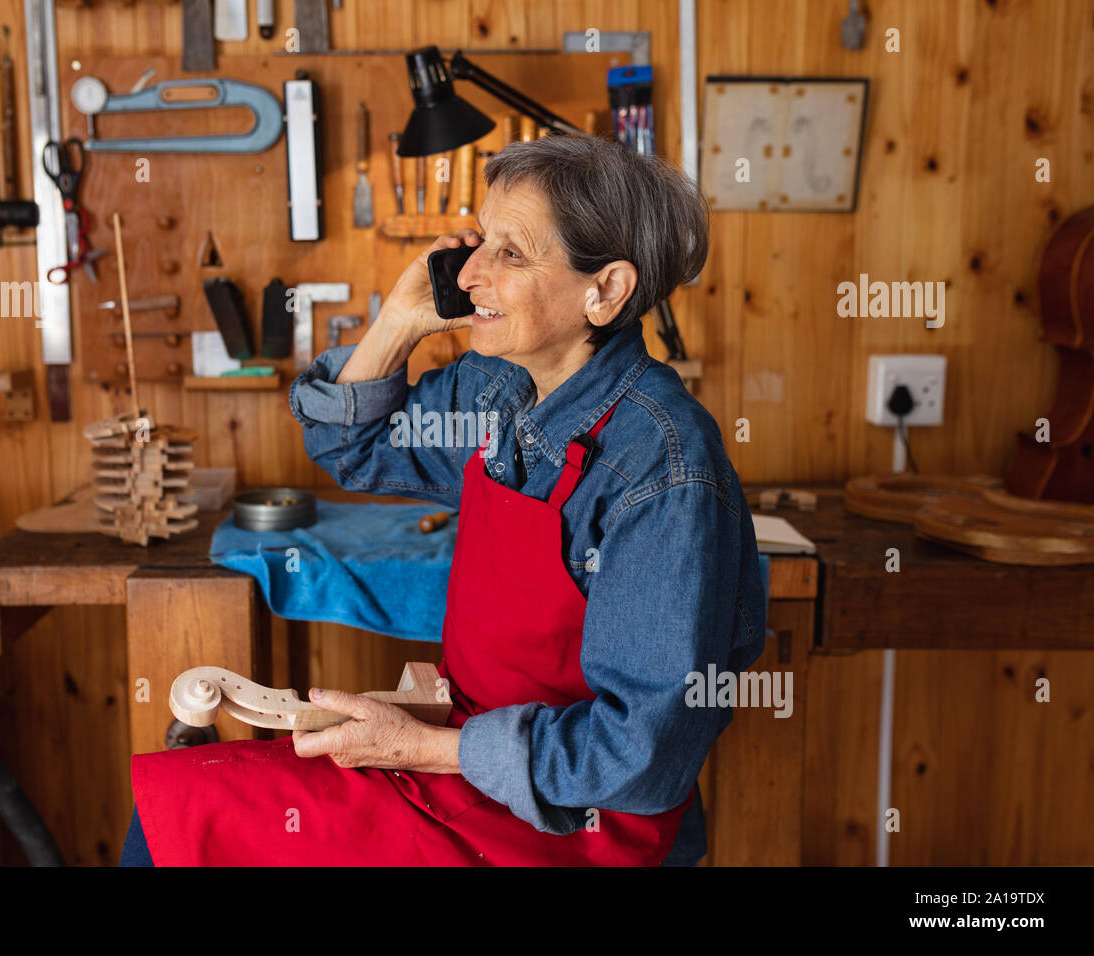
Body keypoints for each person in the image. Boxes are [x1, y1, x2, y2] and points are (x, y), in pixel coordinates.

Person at [122, 135, 765, 866]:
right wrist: (398, 322)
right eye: (480, 240)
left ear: (607, 290)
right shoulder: (500, 390)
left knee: (189, 818)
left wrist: (427, 747)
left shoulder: (663, 468)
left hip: (571, 820)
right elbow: (352, 452)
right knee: (177, 807)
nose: (471, 273)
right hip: (463, 758)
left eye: (511, 254)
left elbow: (642, 755)